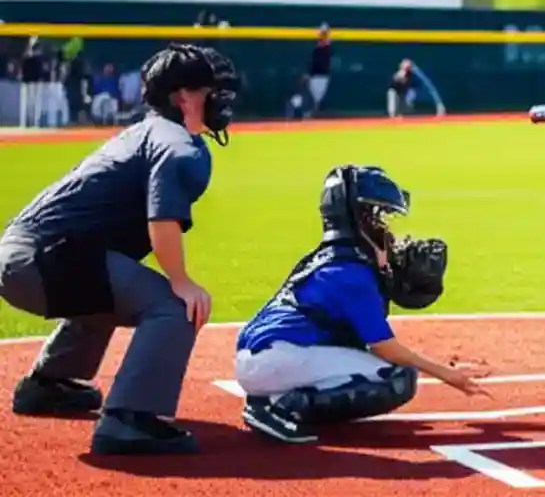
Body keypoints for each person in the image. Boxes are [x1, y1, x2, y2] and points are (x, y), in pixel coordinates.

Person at [0, 43, 239, 455]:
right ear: (183, 97)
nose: (219, 99)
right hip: (47, 260)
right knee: (175, 307)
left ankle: (49, 384)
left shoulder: (143, 131)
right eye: (209, 90)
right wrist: (180, 282)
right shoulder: (178, 144)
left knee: (110, 282)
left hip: (25, 254)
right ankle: (131, 420)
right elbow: (162, 219)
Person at [234, 165, 490, 444]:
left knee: (361, 357)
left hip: (267, 357)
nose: (386, 228)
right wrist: (448, 374)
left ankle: (273, 396)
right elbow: (384, 347)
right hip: (276, 359)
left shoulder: (331, 258)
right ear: (361, 219)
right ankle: (284, 407)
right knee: (397, 377)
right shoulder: (353, 274)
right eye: (379, 217)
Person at [307, 24, 333, 117]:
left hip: (322, 76)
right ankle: (313, 111)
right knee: (314, 96)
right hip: (315, 76)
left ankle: (315, 112)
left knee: (317, 97)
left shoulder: (327, 49)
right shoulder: (317, 49)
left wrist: (326, 33)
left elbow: (327, 42)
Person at [19, 38, 45, 128]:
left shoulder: (33, 57)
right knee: (31, 104)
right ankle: (30, 122)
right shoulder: (34, 57)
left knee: (31, 104)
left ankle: (31, 122)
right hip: (31, 82)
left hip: (31, 82)